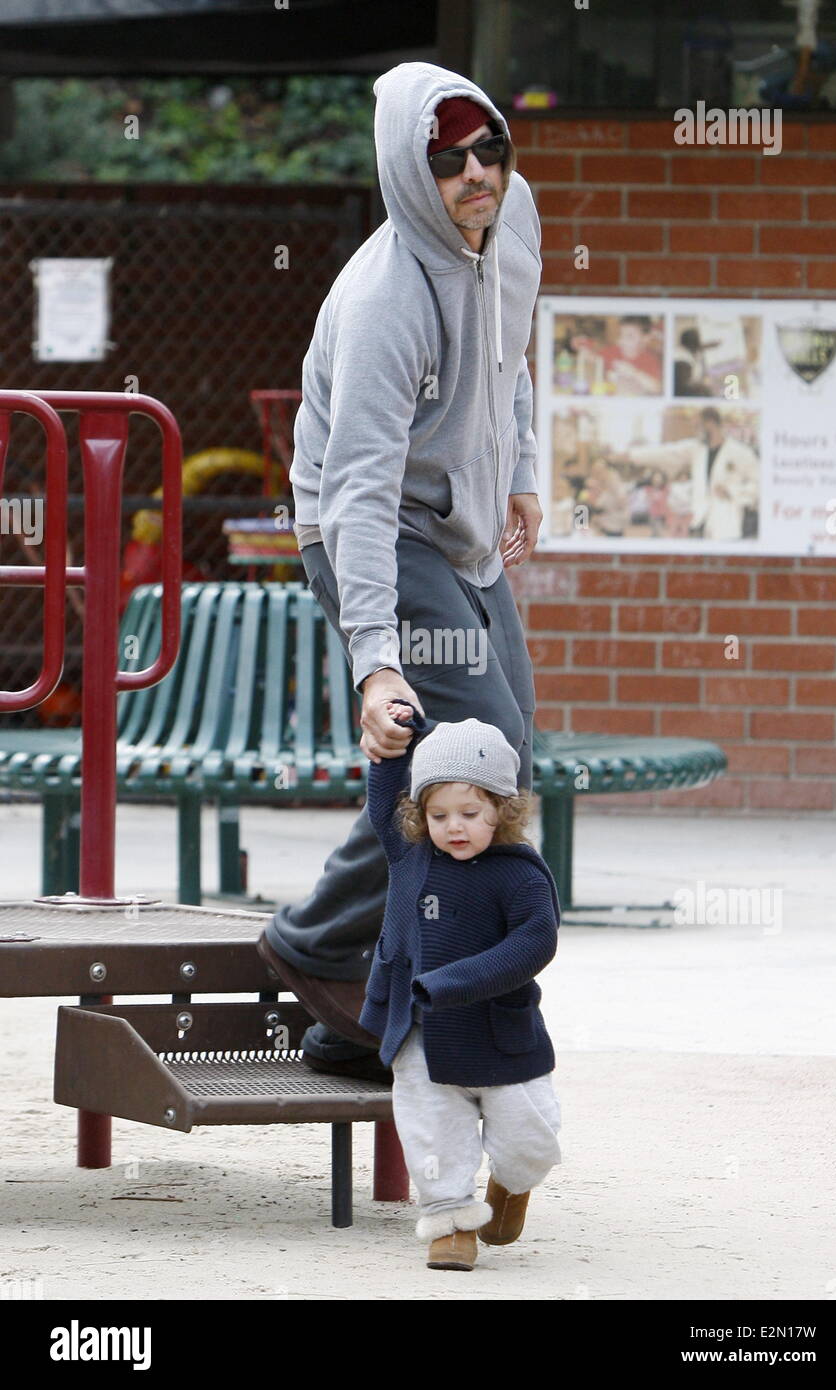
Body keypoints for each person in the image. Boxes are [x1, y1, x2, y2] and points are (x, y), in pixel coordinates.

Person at [256, 62, 544, 1083]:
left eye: (488, 150)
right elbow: (358, 493)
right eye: (447, 158)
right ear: (407, 170)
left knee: (509, 749)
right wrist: (377, 660)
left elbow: (512, 355)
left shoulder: (512, 222)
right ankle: (317, 943)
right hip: (364, 529)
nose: (475, 173)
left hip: (460, 526)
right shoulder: (383, 297)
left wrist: (521, 473)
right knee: (472, 743)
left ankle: (369, 998)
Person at [360, 696, 561, 1271]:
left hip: (501, 1032)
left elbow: (534, 943)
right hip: (422, 1031)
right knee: (433, 1132)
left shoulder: (519, 872)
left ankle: (510, 1184)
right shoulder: (411, 855)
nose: (454, 826)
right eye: (440, 813)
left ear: (503, 808)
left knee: (531, 1137)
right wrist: (392, 742)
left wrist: (453, 981)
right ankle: (449, 1223)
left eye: (471, 813)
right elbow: (384, 800)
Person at [619, 408, 759, 542]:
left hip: (727, 524)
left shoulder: (741, 452)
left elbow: (760, 484)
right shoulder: (696, 449)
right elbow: (666, 452)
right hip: (698, 521)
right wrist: (631, 455)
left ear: (710, 423)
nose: (695, 430)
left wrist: (731, 491)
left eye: (698, 425)